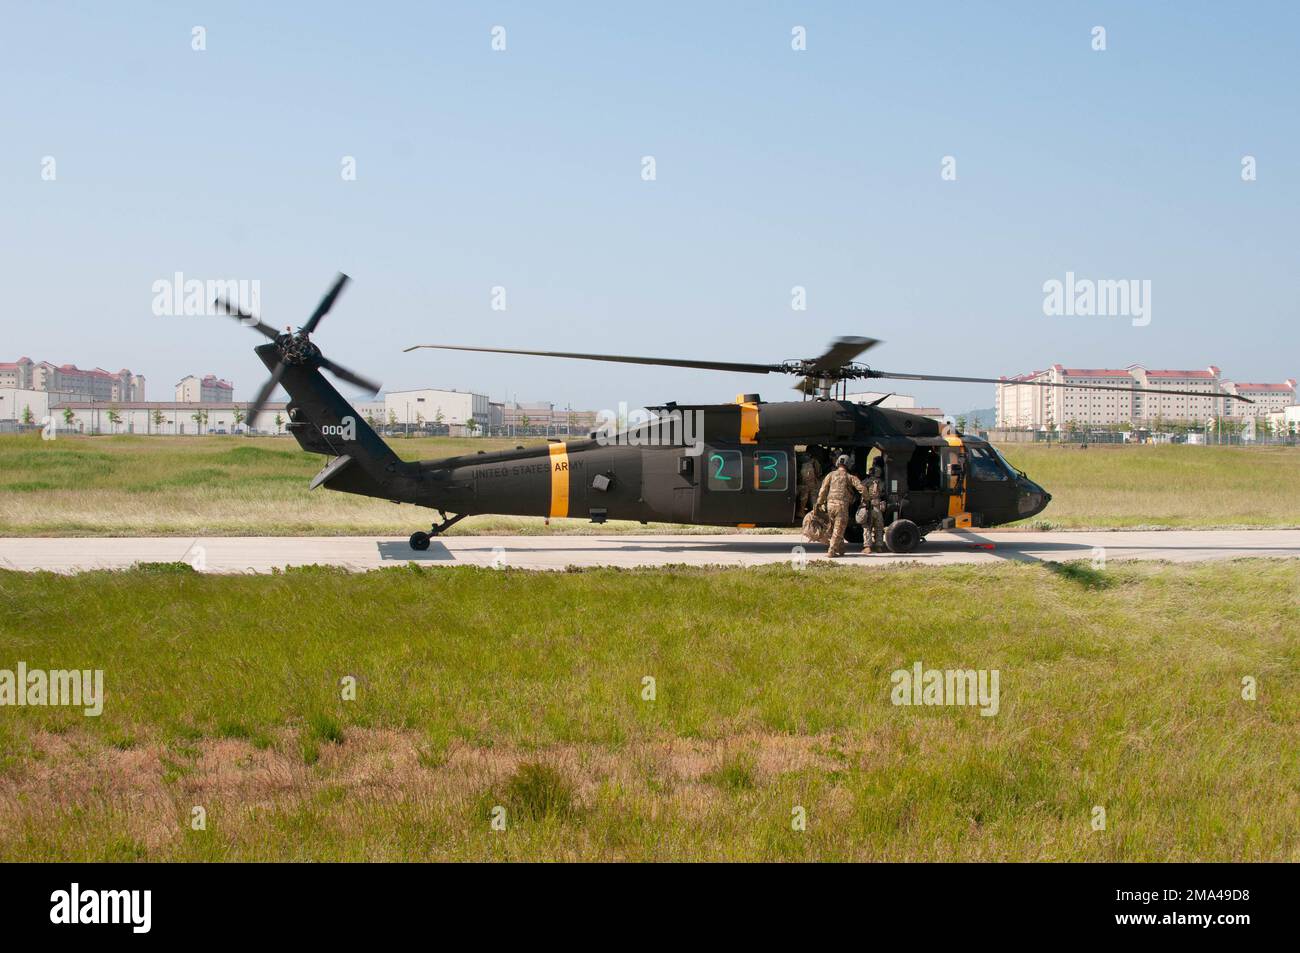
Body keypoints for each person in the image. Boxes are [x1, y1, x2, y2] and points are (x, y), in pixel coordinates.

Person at [815, 454, 866, 557]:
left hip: (830, 506)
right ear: (848, 465)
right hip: (841, 507)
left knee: (836, 527)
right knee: (839, 528)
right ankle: (832, 551)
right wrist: (867, 500)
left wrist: (819, 503)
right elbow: (862, 489)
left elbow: (823, 490)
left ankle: (841, 549)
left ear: (838, 463)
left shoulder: (830, 475)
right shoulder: (850, 477)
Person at [863, 462, 887, 552]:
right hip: (878, 508)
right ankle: (879, 546)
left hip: (868, 507)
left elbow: (860, 488)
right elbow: (884, 494)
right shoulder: (882, 483)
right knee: (879, 527)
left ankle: (867, 547)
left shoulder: (866, 481)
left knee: (867, 526)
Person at [797, 449, 824, 516]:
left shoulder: (812, 463)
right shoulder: (812, 462)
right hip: (809, 488)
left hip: (812, 488)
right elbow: (818, 473)